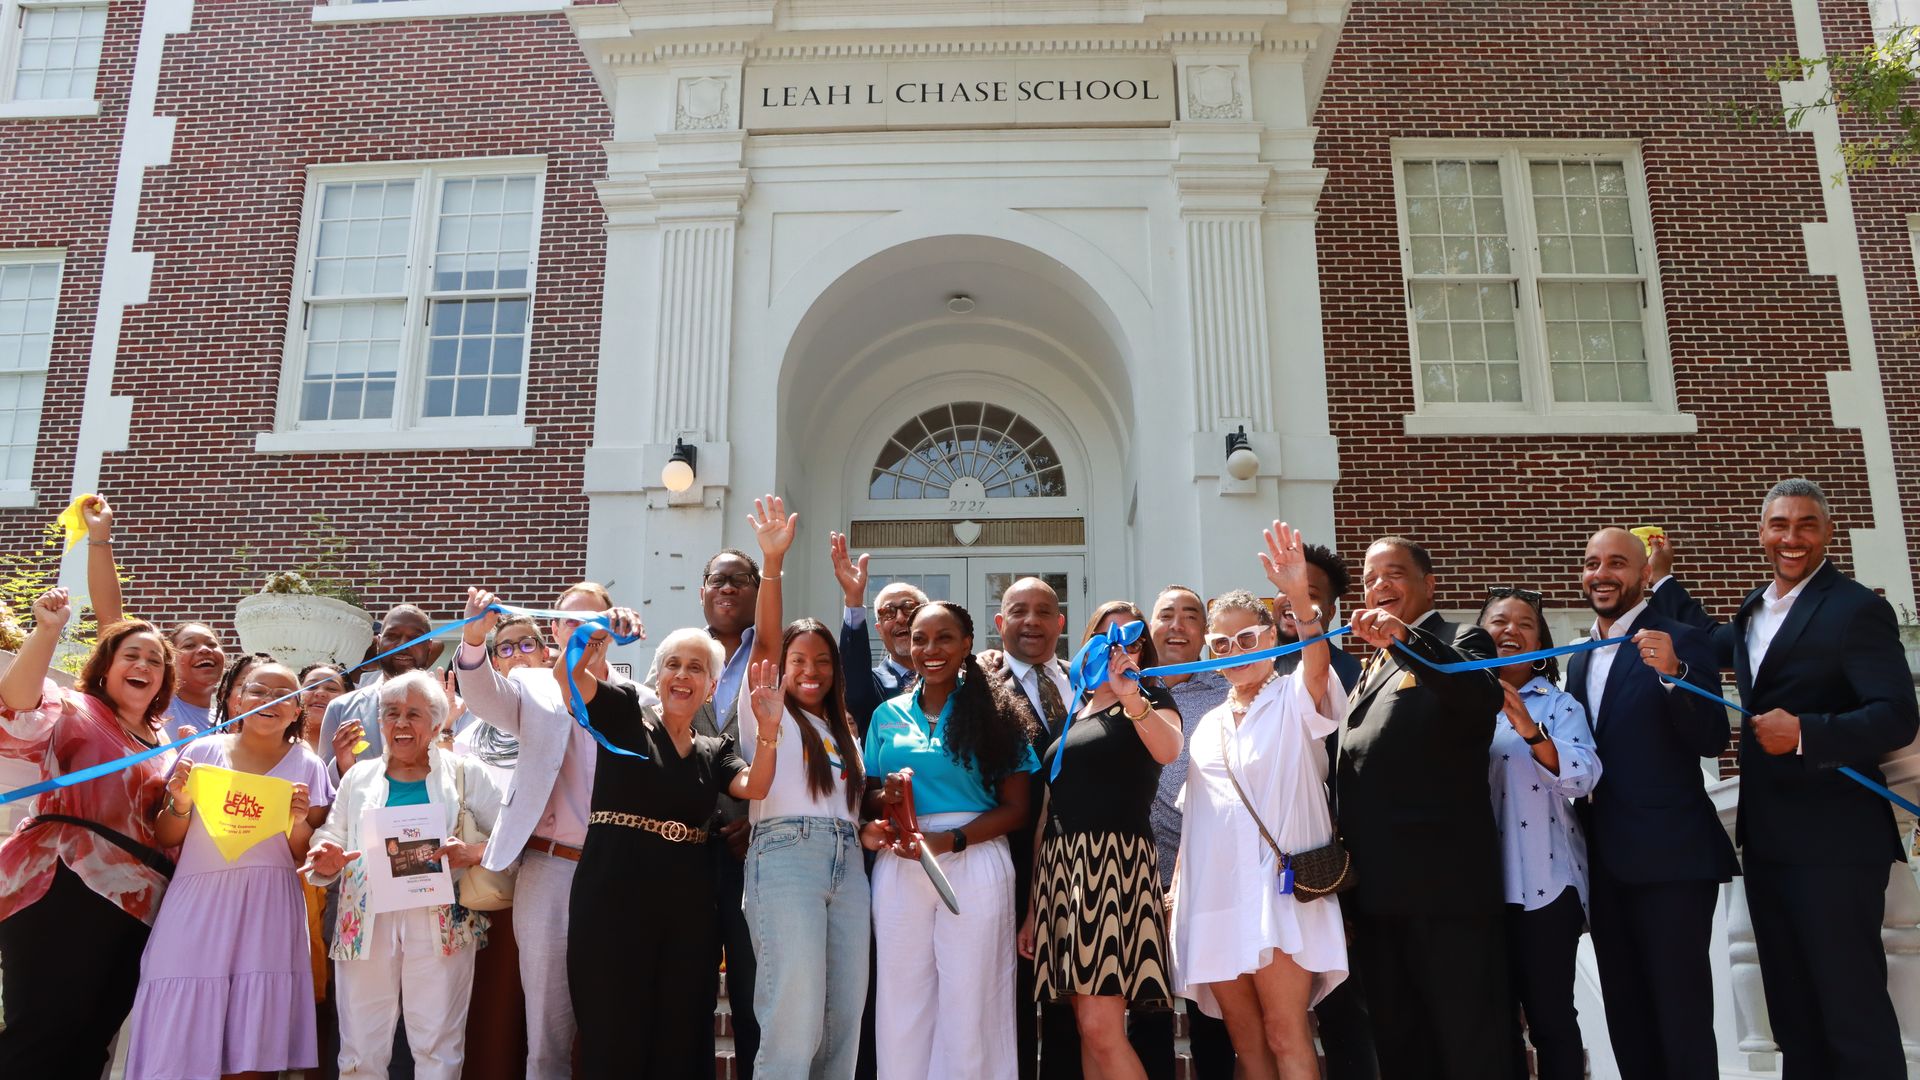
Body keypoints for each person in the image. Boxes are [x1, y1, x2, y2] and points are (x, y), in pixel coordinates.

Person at [1652, 479, 1919, 1077]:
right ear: (1762, 532)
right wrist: (1663, 580)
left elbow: (1898, 714)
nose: (1791, 538)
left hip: (1838, 843)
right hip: (1769, 841)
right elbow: (1701, 637)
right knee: (1793, 1013)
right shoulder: (1754, 609)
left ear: (1827, 532)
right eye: (1780, 525)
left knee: (1851, 1009)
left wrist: (1806, 731)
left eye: (1805, 525)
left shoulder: (1858, 609)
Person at [566, 619, 785, 1078]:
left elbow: (756, 784)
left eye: (696, 668)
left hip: (687, 908)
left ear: (709, 687)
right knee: (614, 1028)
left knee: (680, 1032)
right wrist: (597, 632)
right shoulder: (625, 714)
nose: (682, 675)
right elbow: (572, 679)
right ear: (658, 676)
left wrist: (768, 730)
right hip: (614, 896)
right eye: (673, 665)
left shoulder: (715, 748)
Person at [1170, 525, 1349, 1080]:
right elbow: (1199, 814)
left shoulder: (1294, 696)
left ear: (1272, 638)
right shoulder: (1206, 726)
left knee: (1285, 1032)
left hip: (1284, 897)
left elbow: (1318, 667)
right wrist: (1179, 888)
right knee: (1247, 1045)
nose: (1234, 652)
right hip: (1215, 900)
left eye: (1246, 639)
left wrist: (1299, 595)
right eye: (1221, 645)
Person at [1334, 536, 1508, 1079]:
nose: (1379, 586)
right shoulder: (1370, 667)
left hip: (1444, 891)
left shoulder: (1460, 639)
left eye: (1394, 574)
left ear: (1429, 584)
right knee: (1401, 1044)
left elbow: (1481, 696)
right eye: (1369, 579)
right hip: (1379, 896)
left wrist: (1406, 639)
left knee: (1468, 1043)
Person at [1565, 526, 1734, 1080]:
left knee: (1680, 1014)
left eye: (1617, 563)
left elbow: (1712, 737)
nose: (1602, 574)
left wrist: (1676, 676)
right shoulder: (1580, 658)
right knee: (1627, 1014)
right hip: (1605, 863)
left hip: (1672, 861)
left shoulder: (1682, 637)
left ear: (1644, 574)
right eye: (1592, 563)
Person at [125, 657, 333, 1079]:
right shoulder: (201, 751)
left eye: (285, 695)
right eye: (259, 691)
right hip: (197, 902)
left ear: (298, 710)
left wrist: (296, 823)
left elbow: (299, 853)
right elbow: (167, 836)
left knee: (252, 1027)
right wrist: (181, 803)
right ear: (236, 699)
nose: (270, 701)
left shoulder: (308, 765)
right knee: (179, 1010)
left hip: (268, 906)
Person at [0, 587, 174, 1077]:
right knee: (42, 1030)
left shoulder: (169, 744)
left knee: (90, 1041)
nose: (144, 664)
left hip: (139, 905)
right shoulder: (76, 707)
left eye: (156, 660)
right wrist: (47, 631)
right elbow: (15, 710)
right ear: (106, 666)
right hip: (64, 881)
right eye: (131, 655)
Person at [864, 600, 1039, 1080]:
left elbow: (1019, 809)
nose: (930, 649)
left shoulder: (998, 714)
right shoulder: (886, 714)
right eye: (920, 639)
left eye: (944, 638)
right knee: (902, 997)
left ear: (967, 645)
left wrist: (952, 840)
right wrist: (888, 796)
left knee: (970, 998)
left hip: (974, 859)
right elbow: (868, 794)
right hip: (902, 862)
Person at [455, 585, 621, 1079]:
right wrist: (473, 638)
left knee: (615, 1018)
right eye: (572, 621)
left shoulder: (641, 697)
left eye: (596, 621)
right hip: (550, 866)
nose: (584, 631)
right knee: (546, 1027)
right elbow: (483, 695)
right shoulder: (533, 688)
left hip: (620, 872)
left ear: (611, 629)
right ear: (555, 629)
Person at [302, 669, 502, 1080]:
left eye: (413, 714)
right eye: (390, 713)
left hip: (440, 919)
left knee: (438, 1043)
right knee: (360, 1043)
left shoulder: (466, 773)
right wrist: (324, 854)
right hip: (365, 920)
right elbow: (331, 833)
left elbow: (511, 835)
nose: (400, 723)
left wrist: (474, 852)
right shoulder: (359, 776)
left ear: (435, 721)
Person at [737, 498, 873, 1080]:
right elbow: (765, 642)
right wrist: (773, 564)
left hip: (849, 865)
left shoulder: (844, 731)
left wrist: (854, 601)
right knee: (793, 1023)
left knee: (842, 1022)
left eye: (822, 660)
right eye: (799, 659)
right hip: (786, 857)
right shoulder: (767, 709)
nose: (811, 669)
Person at [1020, 597, 1182, 1080]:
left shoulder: (1152, 697)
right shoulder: (1075, 707)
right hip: (1060, 871)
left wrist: (1131, 694)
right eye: (1106, 636)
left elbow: (1170, 749)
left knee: (1099, 1026)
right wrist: (1034, 904)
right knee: (1087, 1027)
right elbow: (1050, 809)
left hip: (1113, 869)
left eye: (1129, 638)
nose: (1117, 647)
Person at [1476, 587, 1599, 1080]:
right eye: (1499, 621)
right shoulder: (1449, 702)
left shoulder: (1558, 704)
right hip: (1473, 890)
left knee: (1550, 1017)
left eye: (1525, 623)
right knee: (1491, 1022)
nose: (1511, 630)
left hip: (1545, 884)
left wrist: (1530, 729)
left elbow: (1584, 775)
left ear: (1541, 641)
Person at [1269, 542, 1375, 1080]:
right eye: (1286, 591)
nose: (1293, 601)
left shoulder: (1348, 671)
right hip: (1270, 862)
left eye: (1310, 595)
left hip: (1331, 861)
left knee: (1343, 1006)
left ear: (1329, 610)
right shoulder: (1254, 666)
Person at [1139, 584, 1233, 1079]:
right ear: (1148, 628)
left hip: (1205, 874)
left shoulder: (1228, 690)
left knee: (1211, 1012)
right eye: (1165, 615)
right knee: (1148, 1011)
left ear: (1205, 632)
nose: (1177, 626)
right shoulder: (1123, 687)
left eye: (1190, 616)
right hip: (1134, 874)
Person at [450, 614, 544, 1080]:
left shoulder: (564, 719)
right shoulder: (468, 735)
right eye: (503, 648)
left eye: (527, 644)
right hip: (485, 883)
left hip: (549, 871)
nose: (516, 654)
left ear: (546, 654)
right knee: (493, 1002)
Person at [984, 577, 1069, 1080]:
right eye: (1019, 611)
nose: (1032, 621)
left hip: (1079, 858)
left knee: (1069, 997)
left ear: (1060, 623)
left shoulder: (1083, 679)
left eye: (1043, 611)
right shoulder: (978, 684)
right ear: (1001, 624)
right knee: (1009, 997)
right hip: (1007, 857)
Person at [695, 545, 765, 1077]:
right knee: (688, 995)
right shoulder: (677, 657)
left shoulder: (776, 654)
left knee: (752, 994)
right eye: (717, 579)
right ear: (702, 592)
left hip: (756, 853)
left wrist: (759, 820)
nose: (726, 588)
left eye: (739, 579)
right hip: (687, 856)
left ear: (757, 590)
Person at [320, 604, 438, 783]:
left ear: (429, 647)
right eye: (393, 636)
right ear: (378, 643)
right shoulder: (341, 708)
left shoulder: (454, 710)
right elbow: (324, 790)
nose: (403, 644)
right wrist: (342, 765)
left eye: (415, 637)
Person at [830, 530, 926, 736]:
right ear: (879, 630)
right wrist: (854, 600)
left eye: (908, 607)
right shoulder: (872, 684)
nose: (900, 618)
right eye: (888, 612)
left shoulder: (952, 676)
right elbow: (853, 680)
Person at [166, 622, 225, 736]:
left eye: (211, 644)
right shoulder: (157, 706)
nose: (205, 649)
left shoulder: (228, 721)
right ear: (171, 661)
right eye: (189, 645)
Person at [300, 664, 352, 752]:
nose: (320, 693)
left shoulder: (360, 745)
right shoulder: (273, 739)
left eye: (332, 689)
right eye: (311, 687)